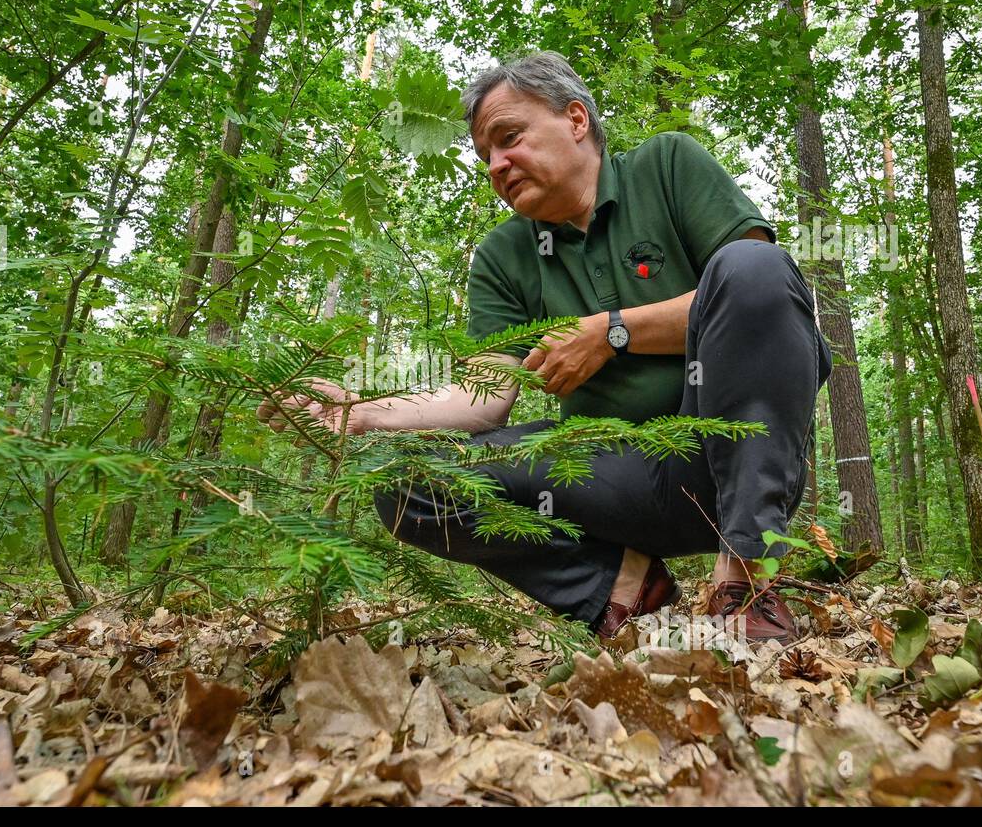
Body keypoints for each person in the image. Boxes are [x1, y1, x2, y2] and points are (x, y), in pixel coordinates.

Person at [258, 51, 832, 644]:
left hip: (733, 452)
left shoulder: (667, 165)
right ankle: (622, 590)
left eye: (510, 138)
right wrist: (359, 412)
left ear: (576, 120)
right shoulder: (502, 257)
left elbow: (760, 292)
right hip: (611, 475)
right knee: (409, 478)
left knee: (753, 263)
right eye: (485, 156)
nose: (496, 165)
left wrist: (612, 331)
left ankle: (746, 583)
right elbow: (480, 399)